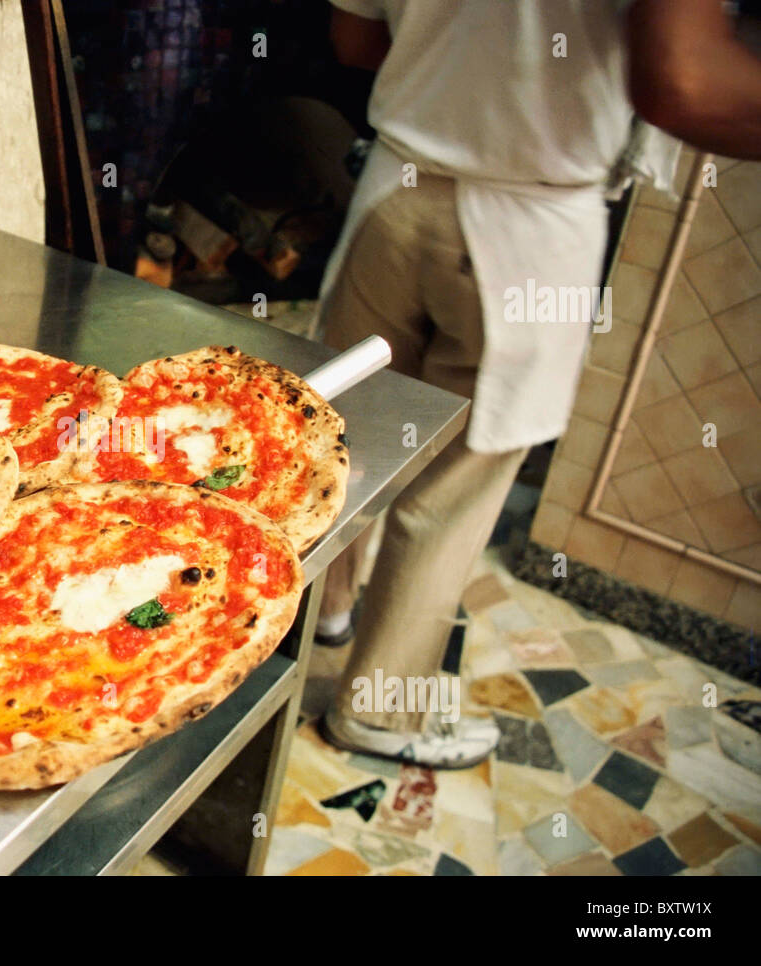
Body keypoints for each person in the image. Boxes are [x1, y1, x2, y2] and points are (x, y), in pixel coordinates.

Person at [315, 0, 761, 767]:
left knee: (343, 439)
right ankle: (379, 717)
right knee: (450, 497)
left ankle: (322, 614)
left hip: (393, 188)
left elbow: (353, 38)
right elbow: (682, 82)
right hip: (530, 225)